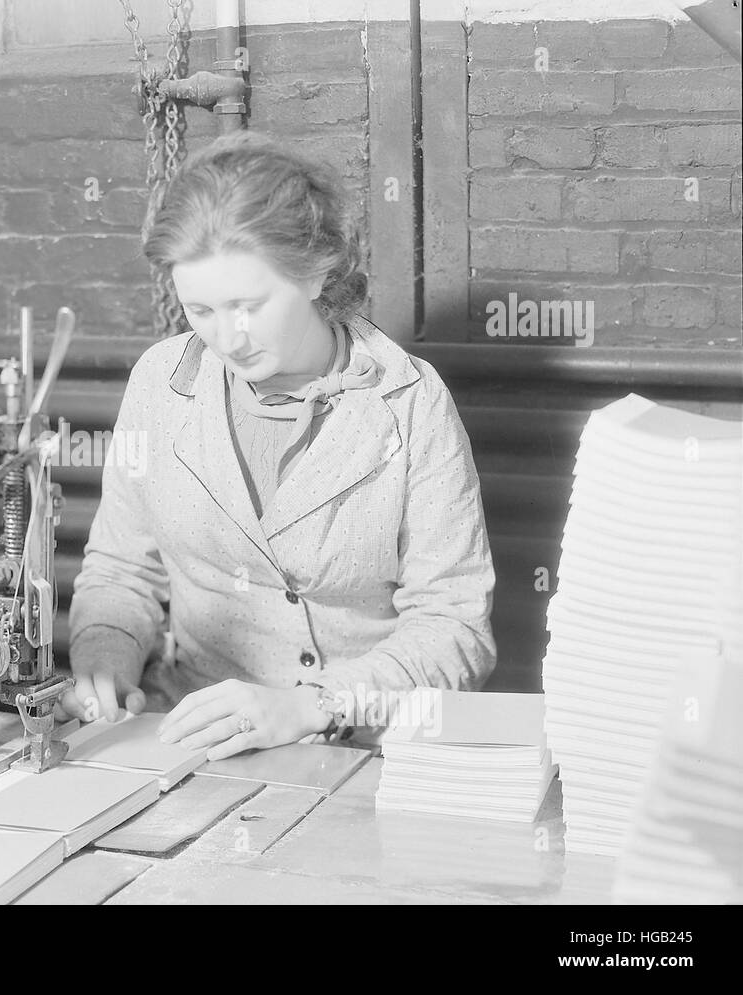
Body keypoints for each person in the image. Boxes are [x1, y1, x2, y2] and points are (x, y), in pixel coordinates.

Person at [58, 130, 496, 759]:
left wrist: (314, 705)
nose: (227, 339)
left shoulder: (411, 403)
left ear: (318, 272)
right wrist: (105, 658)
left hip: (364, 750)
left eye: (248, 305)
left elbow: (456, 630)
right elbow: (123, 569)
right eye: (199, 311)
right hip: (194, 743)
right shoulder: (159, 384)